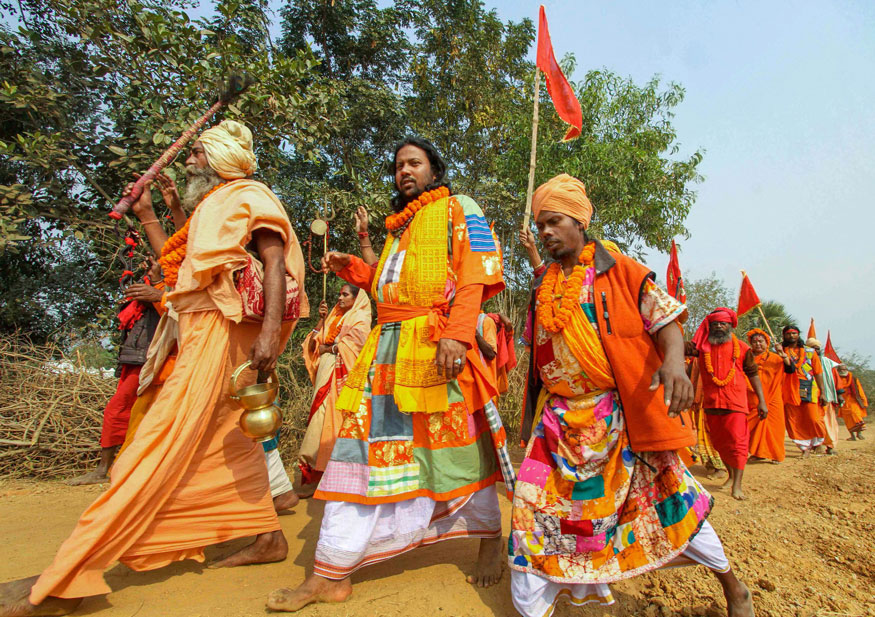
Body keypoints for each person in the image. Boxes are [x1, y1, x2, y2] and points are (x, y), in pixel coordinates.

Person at [0, 119, 309, 617]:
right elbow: (180, 263)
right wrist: (147, 212)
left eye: (198, 155)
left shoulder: (249, 194)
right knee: (232, 439)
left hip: (225, 336)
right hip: (203, 332)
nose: (189, 161)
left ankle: (67, 577)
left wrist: (271, 333)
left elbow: (274, 261)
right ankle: (269, 537)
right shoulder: (212, 207)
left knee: (151, 445)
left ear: (222, 160)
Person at [266, 137, 512, 612]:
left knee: (460, 450)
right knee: (357, 454)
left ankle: (488, 539)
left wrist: (457, 336)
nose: (404, 170)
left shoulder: (461, 207)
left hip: (438, 349)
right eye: (399, 164)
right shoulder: (399, 227)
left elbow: (476, 274)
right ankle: (331, 573)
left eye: (414, 163)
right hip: (385, 354)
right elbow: (389, 285)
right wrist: (356, 269)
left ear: (434, 169)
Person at [508, 174, 753, 617]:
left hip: (619, 422)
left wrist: (674, 363)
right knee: (531, 512)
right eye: (540, 224)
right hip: (557, 424)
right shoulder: (542, 286)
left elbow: (666, 322)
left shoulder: (622, 271)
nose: (545, 231)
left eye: (554, 221)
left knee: (670, 507)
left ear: (581, 221)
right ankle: (534, 609)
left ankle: (734, 587)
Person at [67, 259, 165, 486]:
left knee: (125, 409)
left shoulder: (170, 285)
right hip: (137, 355)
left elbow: (177, 309)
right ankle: (108, 468)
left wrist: (157, 288)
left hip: (153, 356)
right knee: (122, 409)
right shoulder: (150, 284)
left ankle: (111, 468)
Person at [298, 284, 372, 496]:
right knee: (320, 418)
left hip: (343, 378)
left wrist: (328, 348)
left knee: (326, 422)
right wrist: (321, 321)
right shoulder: (335, 317)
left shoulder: (360, 318)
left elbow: (358, 345)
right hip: (326, 373)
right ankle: (319, 474)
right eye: (339, 294)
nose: (340, 298)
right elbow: (314, 344)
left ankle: (321, 472)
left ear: (356, 299)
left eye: (345, 294)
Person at [691, 309, 768, 500]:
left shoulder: (742, 348)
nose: (718, 326)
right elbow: (681, 349)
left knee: (738, 443)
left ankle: (737, 485)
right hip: (711, 402)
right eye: (715, 323)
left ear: (730, 326)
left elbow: (753, 375)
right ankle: (730, 477)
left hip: (735, 403)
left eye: (722, 323)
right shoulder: (701, 347)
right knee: (720, 444)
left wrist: (762, 401)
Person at [744, 329, 792, 463]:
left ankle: (776, 454)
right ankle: (758, 452)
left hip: (773, 397)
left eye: (761, 341)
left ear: (767, 343)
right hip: (752, 395)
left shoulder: (776, 358)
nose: (758, 344)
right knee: (751, 425)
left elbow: (790, 369)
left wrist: (784, 355)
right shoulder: (747, 358)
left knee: (774, 426)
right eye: (754, 342)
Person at [782, 325, 827, 457]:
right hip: (789, 389)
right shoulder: (781, 352)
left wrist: (823, 392)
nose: (791, 336)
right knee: (794, 419)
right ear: (784, 336)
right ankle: (804, 448)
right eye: (788, 334)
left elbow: (818, 373)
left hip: (809, 388)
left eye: (794, 333)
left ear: (798, 335)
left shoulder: (810, 352)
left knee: (813, 417)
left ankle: (818, 443)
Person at [808, 337, 841, 454]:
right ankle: (816, 445)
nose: (815, 351)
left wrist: (840, 394)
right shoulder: (804, 362)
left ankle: (830, 446)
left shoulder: (827, 363)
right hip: (810, 397)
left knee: (828, 422)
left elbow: (836, 379)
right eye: (812, 348)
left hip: (825, 396)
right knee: (813, 421)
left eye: (816, 348)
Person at [834, 364, 867, 440]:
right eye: (841, 370)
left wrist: (863, 400)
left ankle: (859, 434)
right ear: (838, 370)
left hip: (853, 400)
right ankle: (852, 436)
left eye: (844, 369)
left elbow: (859, 389)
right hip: (842, 401)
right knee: (847, 419)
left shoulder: (853, 378)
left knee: (856, 415)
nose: (843, 371)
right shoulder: (835, 378)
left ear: (846, 370)